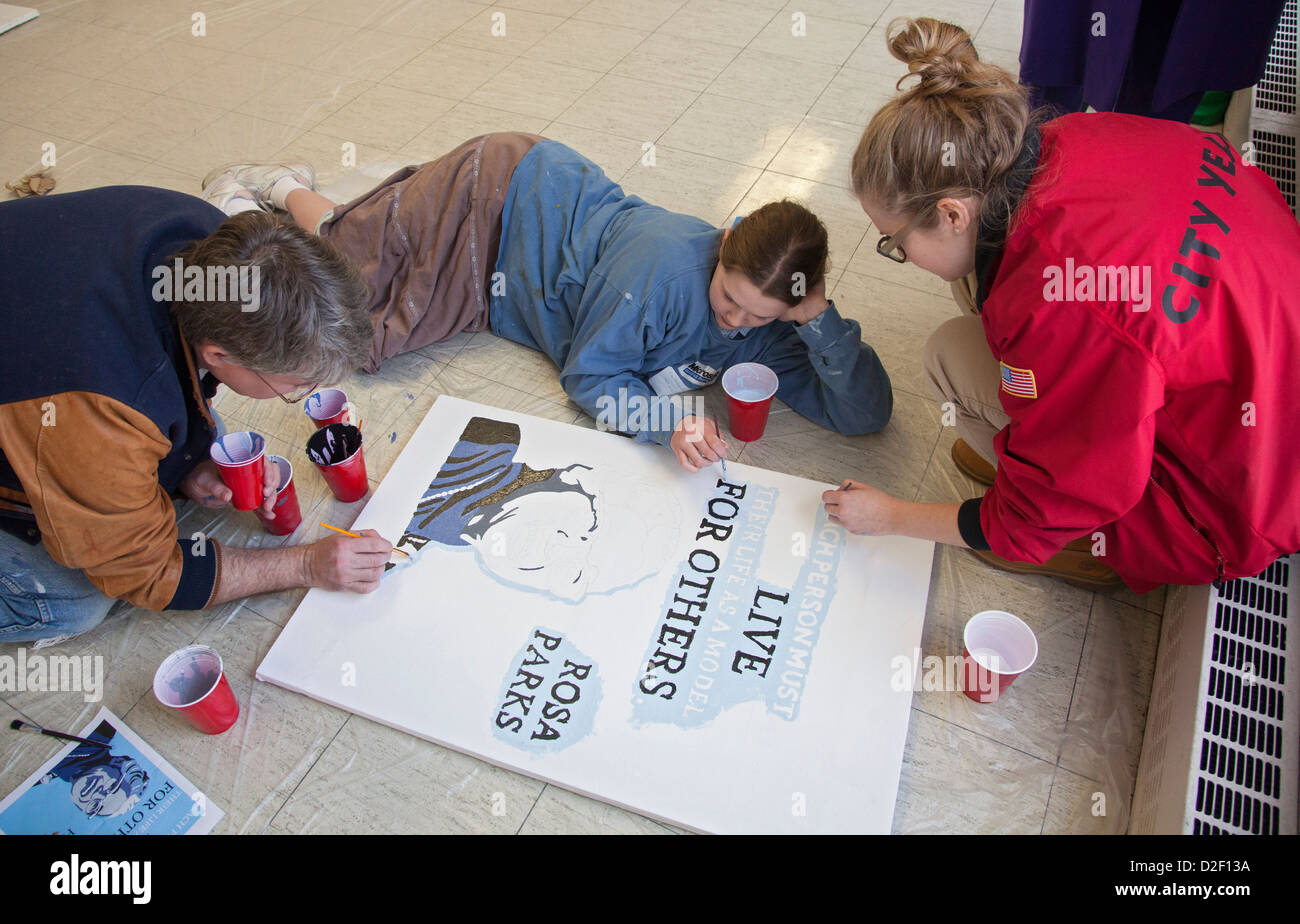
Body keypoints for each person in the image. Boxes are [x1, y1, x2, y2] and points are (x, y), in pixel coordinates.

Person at [822, 17, 1300, 593]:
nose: (899, 254)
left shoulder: (1063, 298)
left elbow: (1067, 485)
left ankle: (1090, 543)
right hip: (1259, 394)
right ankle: (1028, 456)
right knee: (974, 289)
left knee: (948, 353)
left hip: (1233, 509)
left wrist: (892, 517)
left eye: (896, 244)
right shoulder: (1070, 136)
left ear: (951, 214)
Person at [202, 132, 894, 473]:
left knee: (367, 323)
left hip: (505, 283)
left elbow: (863, 415)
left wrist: (819, 322)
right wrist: (667, 424)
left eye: (760, 316)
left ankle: (314, 201)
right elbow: (590, 379)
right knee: (350, 286)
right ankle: (268, 191)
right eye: (729, 299)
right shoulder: (659, 266)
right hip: (504, 197)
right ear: (726, 243)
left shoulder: (777, 322)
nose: (735, 323)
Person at [0, 189, 394, 647]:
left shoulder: (217, 241)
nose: (300, 394)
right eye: (292, 387)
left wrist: (187, 464)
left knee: (208, 445)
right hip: (52, 386)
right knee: (72, 601)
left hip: (41, 325)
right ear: (219, 353)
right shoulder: (100, 404)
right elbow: (146, 576)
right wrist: (307, 565)